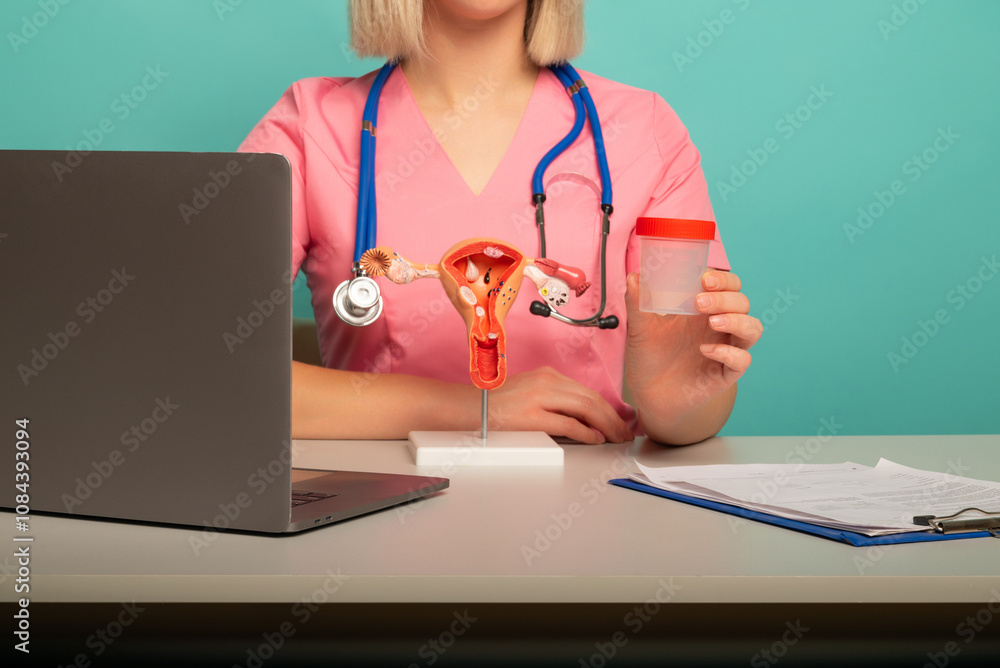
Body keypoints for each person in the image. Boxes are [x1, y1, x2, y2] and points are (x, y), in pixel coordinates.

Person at [238, 0, 762, 445]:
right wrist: (473, 410)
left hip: (586, 523)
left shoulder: (644, 133)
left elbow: (687, 416)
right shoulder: (311, 127)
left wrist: (674, 398)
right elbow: (206, 366)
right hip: (376, 521)